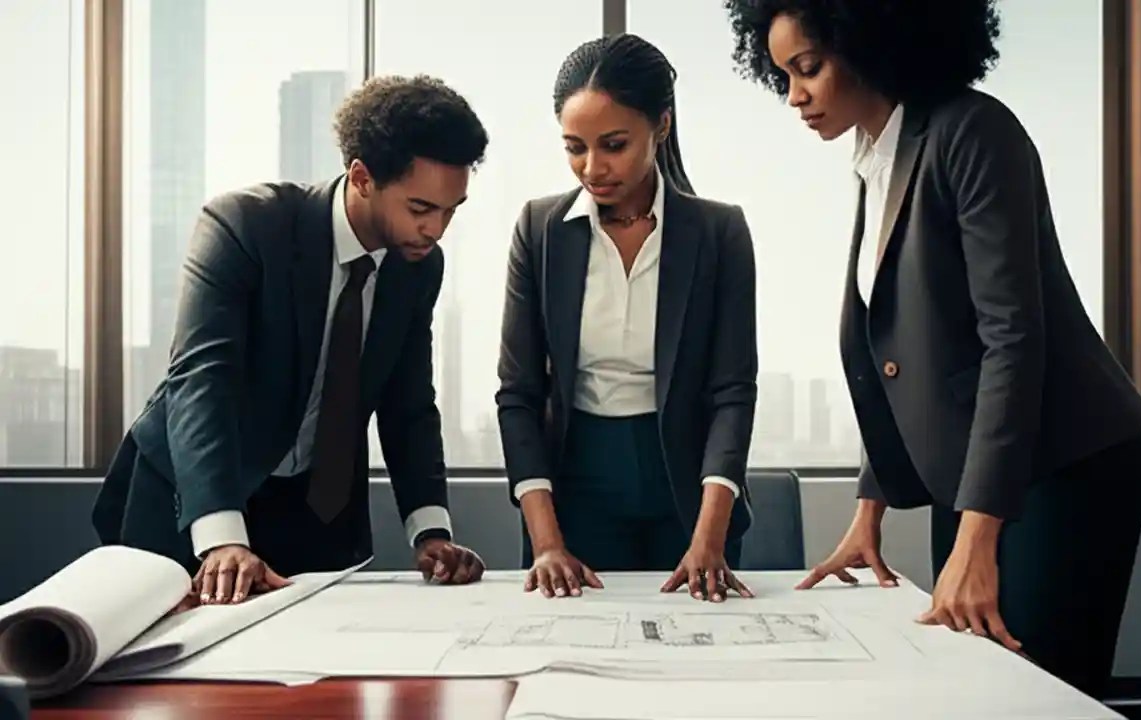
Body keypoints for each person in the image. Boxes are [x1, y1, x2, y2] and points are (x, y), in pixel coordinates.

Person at [724, 0, 1141, 697]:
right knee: (969, 681)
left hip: (1064, 468)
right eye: (782, 76)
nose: (794, 95)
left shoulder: (973, 132)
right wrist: (870, 511)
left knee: (1034, 694)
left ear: (870, 42)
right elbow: (902, 354)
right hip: (976, 470)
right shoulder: (879, 157)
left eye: (807, 68)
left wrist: (977, 539)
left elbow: (1011, 337)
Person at [92, 75, 490, 605]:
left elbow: (408, 401)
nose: (436, 230)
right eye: (421, 209)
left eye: (451, 210)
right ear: (363, 177)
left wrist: (432, 532)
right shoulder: (245, 225)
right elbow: (200, 381)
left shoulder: (417, 267)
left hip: (312, 519)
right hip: (194, 502)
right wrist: (222, 540)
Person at [496, 33, 759, 603]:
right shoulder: (539, 230)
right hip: (575, 494)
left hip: (689, 494)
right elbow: (517, 394)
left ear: (660, 126)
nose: (592, 168)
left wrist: (709, 536)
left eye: (613, 144)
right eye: (574, 147)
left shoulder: (720, 233)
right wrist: (545, 542)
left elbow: (733, 392)